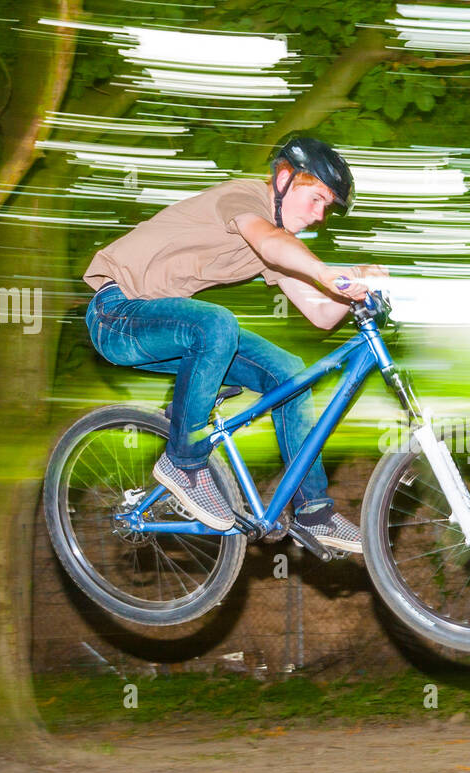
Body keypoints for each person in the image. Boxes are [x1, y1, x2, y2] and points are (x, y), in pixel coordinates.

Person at [82, 137, 384, 554]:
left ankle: (313, 509)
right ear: (283, 178)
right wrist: (325, 272)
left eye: (327, 208)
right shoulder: (243, 198)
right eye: (316, 199)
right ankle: (183, 461)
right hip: (116, 315)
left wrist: (361, 284)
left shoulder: (276, 246)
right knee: (217, 324)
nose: (319, 216)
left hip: (172, 332)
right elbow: (269, 242)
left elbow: (321, 314)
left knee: (291, 375)